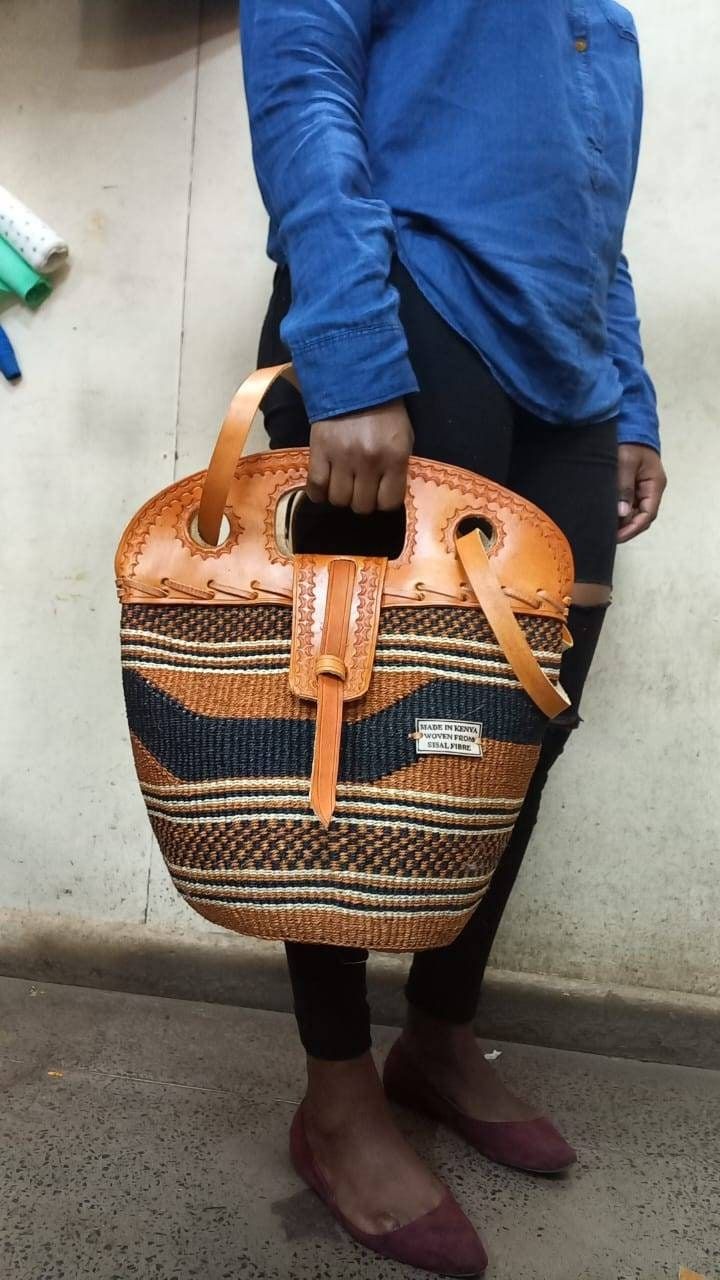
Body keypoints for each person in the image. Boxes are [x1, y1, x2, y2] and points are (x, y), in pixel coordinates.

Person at [239, 2, 667, 1272]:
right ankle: (336, 1088)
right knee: (354, 720)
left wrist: (630, 392)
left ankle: (436, 1032)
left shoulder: (604, 19)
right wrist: (353, 354)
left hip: (566, 377)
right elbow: (300, 75)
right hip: (412, 312)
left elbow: (598, 220)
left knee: (514, 732)